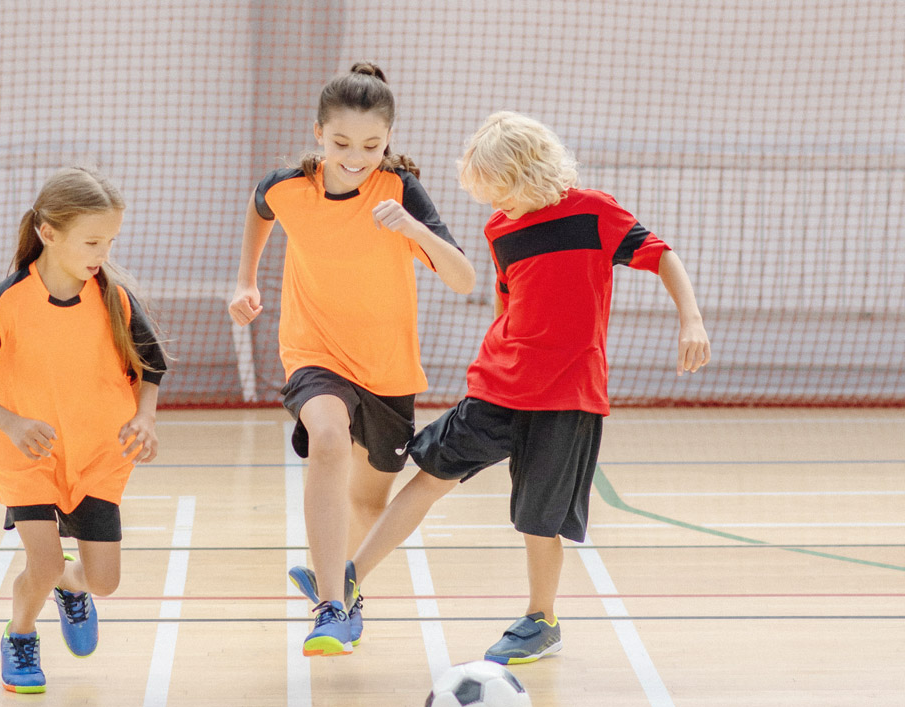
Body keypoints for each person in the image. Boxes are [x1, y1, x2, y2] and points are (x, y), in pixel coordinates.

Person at [302, 110, 712, 664]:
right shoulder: (501, 228)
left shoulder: (593, 212)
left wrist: (691, 319)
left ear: (526, 174)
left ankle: (541, 620)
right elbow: (509, 303)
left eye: (496, 189)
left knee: (537, 521)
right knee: (429, 476)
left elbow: (662, 256)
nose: (490, 203)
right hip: (499, 385)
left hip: (567, 396)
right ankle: (347, 582)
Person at [229, 62, 477, 657]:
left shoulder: (398, 192)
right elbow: (262, 209)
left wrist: (415, 227)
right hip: (313, 352)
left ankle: (345, 584)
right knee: (329, 439)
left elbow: (465, 279)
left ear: (388, 141)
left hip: (387, 368)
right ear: (319, 133)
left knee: (369, 501)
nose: (356, 155)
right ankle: (329, 604)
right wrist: (245, 280)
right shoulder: (287, 185)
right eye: (342, 142)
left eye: (372, 145)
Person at [0, 167, 167, 692]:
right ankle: (20, 635)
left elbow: (150, 369)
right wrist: (11, 423)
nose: (102, 253)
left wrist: (144, 417)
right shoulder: (6, 305)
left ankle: (74, 589)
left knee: (104, 582)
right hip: (28, 454)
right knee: (41, 561)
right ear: (48, 233)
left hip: (96, 454)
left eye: (110, 240)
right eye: (92, 241)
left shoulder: (112, 299)